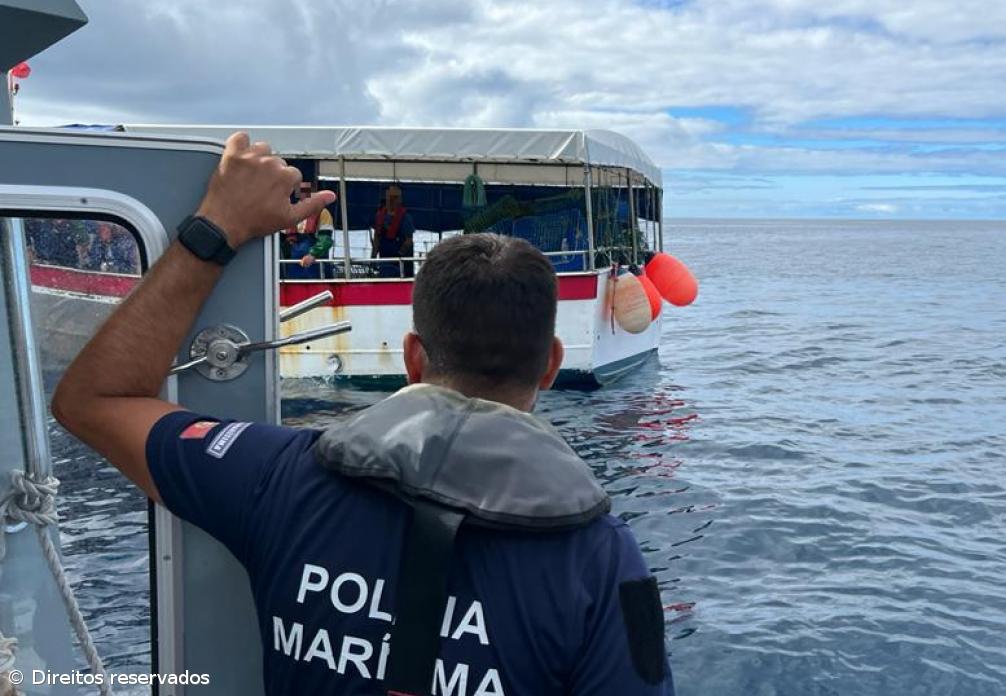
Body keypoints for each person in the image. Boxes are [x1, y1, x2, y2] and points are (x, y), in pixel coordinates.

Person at [51, 132, 674, 696]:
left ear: (411, 355)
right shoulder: (599, 558)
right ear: (550, 364)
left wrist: (216, 229)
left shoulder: (278, 476)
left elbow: (94, 400)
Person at [281, 181, 335, 279]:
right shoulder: (289, 213)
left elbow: (326, 240)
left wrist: (313, 255)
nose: (304, 196)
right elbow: (280, 240)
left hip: (315, 265)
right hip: (292, 265)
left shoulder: (323, 213)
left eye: (306, 191)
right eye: (301, 192)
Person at [371, 183, 416, 278]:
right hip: (384, 259)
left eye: (395, 197)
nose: (391, 200)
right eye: (390, 197)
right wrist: (373, 258)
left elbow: (409, 241)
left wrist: (399, 254)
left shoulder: (405, 218)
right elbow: (377, 238)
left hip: (401, 261)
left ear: (399, 199)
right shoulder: (380, 216)